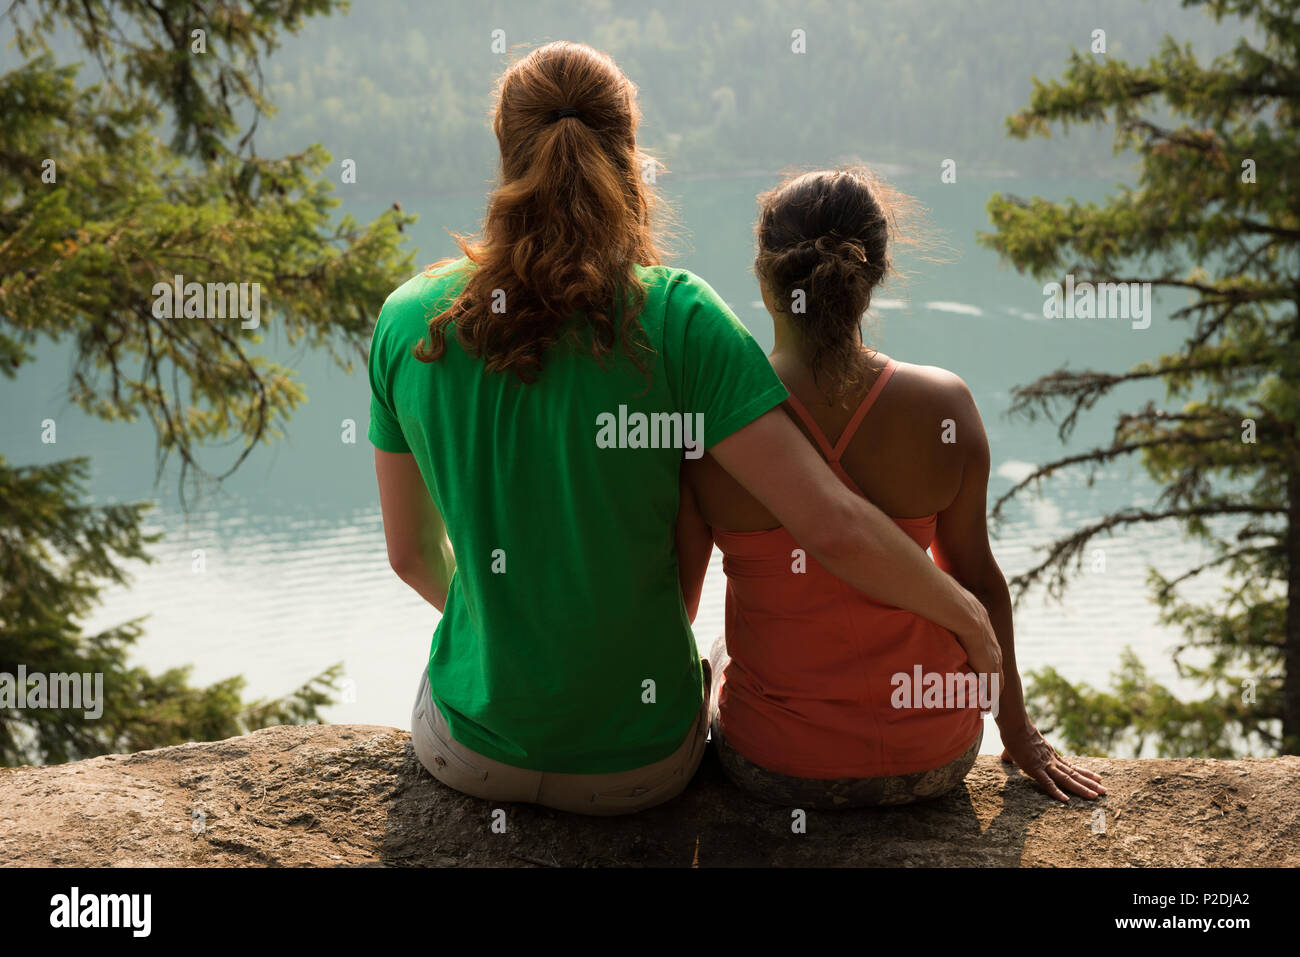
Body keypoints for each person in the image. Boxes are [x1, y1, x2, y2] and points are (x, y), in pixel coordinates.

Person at [369, 42, 999, 816]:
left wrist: (513, 630)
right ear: (630, 155)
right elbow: (829, 525)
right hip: (635, 768)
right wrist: (966, 613)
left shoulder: (407, 321)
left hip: (470, 752)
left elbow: (408, 555)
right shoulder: (679, 317)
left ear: (505, 153)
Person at [676, 167, 1105, 808]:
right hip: (933, 755)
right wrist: (1018, 733)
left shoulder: (715, 426)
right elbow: (980, 584)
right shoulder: (944, 406)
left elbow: (676, 603)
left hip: (777, 763)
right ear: (871, 279)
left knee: (717, 651)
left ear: (765, 279)